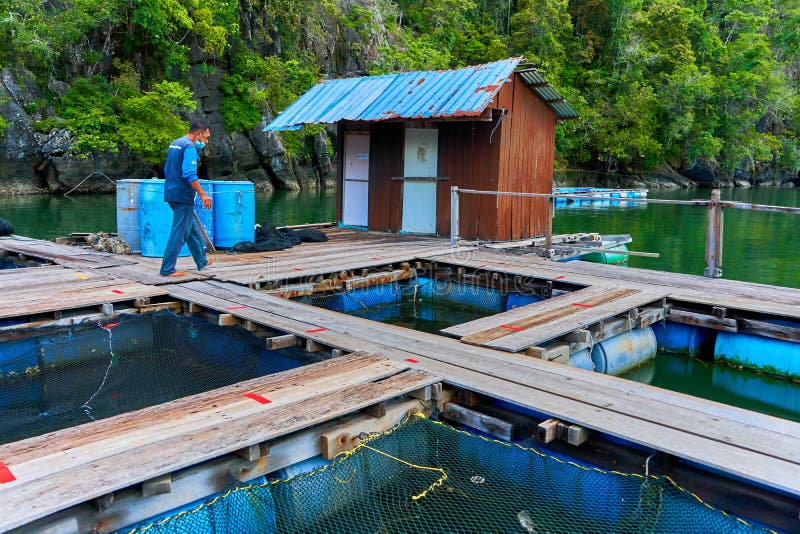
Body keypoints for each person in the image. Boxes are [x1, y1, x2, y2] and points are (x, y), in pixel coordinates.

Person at [159, 119, 214, 277]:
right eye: (206, 137)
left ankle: (201, 260)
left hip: (171, 192)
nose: (206, 141)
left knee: (191, 229)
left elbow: (167, 168)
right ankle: (167, 269)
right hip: (182, 195)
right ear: (198, 133)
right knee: (180, 232)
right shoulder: (189, 147)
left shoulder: (176, 143)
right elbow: (189, 173)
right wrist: (203, 194)